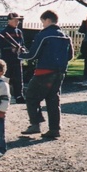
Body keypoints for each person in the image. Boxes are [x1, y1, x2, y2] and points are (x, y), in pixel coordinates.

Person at [19, 10, 74, 139]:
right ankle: (54, 129)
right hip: (60, 71)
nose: (42, 25)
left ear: (47, 20)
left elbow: (33, 55)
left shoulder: (44, 35)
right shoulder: (66, 36)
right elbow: (70, 56)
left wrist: (20, 54)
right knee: (53, 99)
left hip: (44, 71)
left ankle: (35, 124)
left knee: (32, 96)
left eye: (43, 22)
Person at [0, 12, 26, 103]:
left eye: (18, 20)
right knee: (6, 78)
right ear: (9, 21)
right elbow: (0, 45)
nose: (17, 22)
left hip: (17, 59)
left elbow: (22, 44)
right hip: (7, 59)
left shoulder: (19, 32)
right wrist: (10, 48)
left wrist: (22, 49)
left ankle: (19, 96)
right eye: (15, 20)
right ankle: (4, 96)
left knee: (18, 79)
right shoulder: (4, 32)